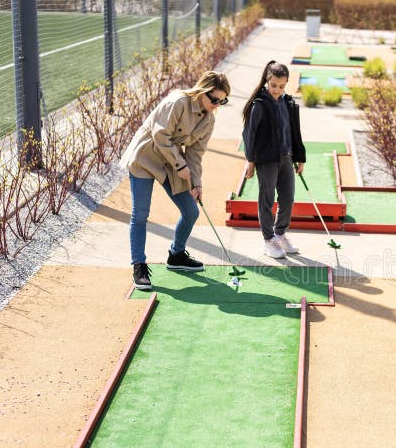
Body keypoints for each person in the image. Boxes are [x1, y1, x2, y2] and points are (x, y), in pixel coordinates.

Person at [120, 70, 231, 290]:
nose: (217, 105)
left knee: (191, 211)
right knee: (140, 214)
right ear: (202, 91)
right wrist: (180, 165)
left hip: (171, 161)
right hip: (146, 156)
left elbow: (195, 154)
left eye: (223, 101)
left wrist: (197, 183)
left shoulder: (208, 120)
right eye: (214, 99)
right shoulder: (177, 101)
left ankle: (176, 255)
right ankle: (139, 266)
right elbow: (159, 135)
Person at [241, 61, 306, 259]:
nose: (277, 90)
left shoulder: (288, 102)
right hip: (266, 159)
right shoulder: (259, 104)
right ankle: (268, 239)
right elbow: (249, 134)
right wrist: (251, 162)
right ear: (267, 81)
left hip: (286, 157)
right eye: (274, 85)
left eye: (282, 86)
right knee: (267, 199)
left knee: (288, 198)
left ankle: (280, 233)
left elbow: (295, 132)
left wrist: (300, 156)